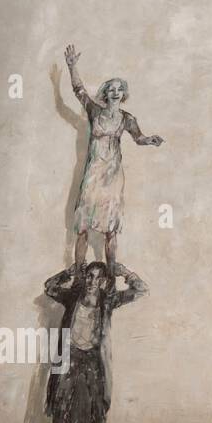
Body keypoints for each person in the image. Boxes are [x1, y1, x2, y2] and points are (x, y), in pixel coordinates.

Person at [63, 45, 163, 276]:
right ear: (105, 93)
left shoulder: (127, 118)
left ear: (123, 94)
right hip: (94, 173)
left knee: (111, 228)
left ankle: (109, 275)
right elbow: (79, 90)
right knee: (84, 225)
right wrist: (72, 66)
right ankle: (79, 271)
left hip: (113, 175)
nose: (116, 92)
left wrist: (150, 140)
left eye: (120, 89)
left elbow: (139, 138)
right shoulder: (95, 112)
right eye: (112, 89)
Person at [43, 260, 149, 423]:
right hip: (69, 356)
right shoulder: (72, 297)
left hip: (93, 359)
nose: (91, 281)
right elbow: (49, 287)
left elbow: (142, 290)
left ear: (103, 281)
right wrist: (69, 272)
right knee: (60, 406)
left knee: (98, 411)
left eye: (96, 278)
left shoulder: (108, 300)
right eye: (89, 276)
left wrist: (125, 273)